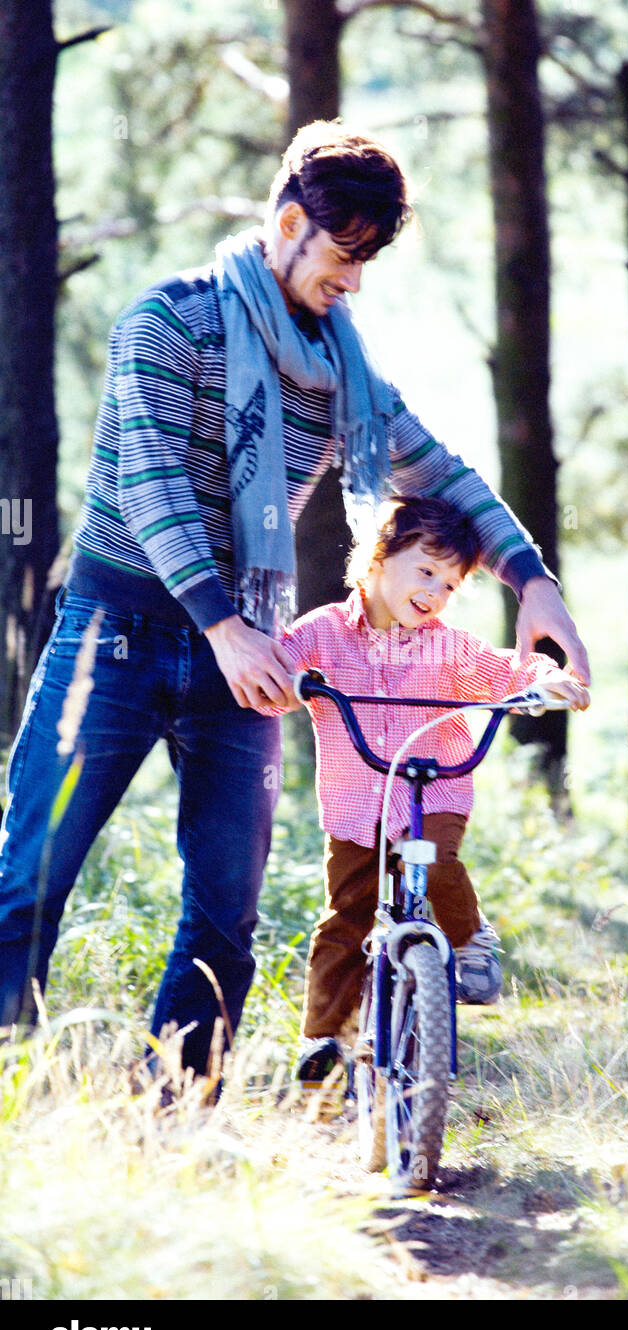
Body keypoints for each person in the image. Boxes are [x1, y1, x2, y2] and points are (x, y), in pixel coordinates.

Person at [0, 119, 589, 1088]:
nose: (353, 281)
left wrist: (533, 581)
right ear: (287, 225)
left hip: (251, 658)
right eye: (343, 255)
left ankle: (174, 1112)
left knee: (225, 914)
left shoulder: (340, 370)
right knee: (30, 880)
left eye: (367, 261)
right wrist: (222, 626)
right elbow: (151, 487)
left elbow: (437, 470)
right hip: (117, 633)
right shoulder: (166, 321)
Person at [279, 496, 590, 1086]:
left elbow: (503, 670)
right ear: (376, 559)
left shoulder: (448, 645)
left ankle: (470, 940)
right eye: (425, 571)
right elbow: (282, 660)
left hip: (434, 790)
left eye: (449, 585)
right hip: (356, 804)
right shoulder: (324, 630)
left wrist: (547, 680)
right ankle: (323, 1038)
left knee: (436, 862)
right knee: (346, 919)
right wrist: (285, 678)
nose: (436, 592)